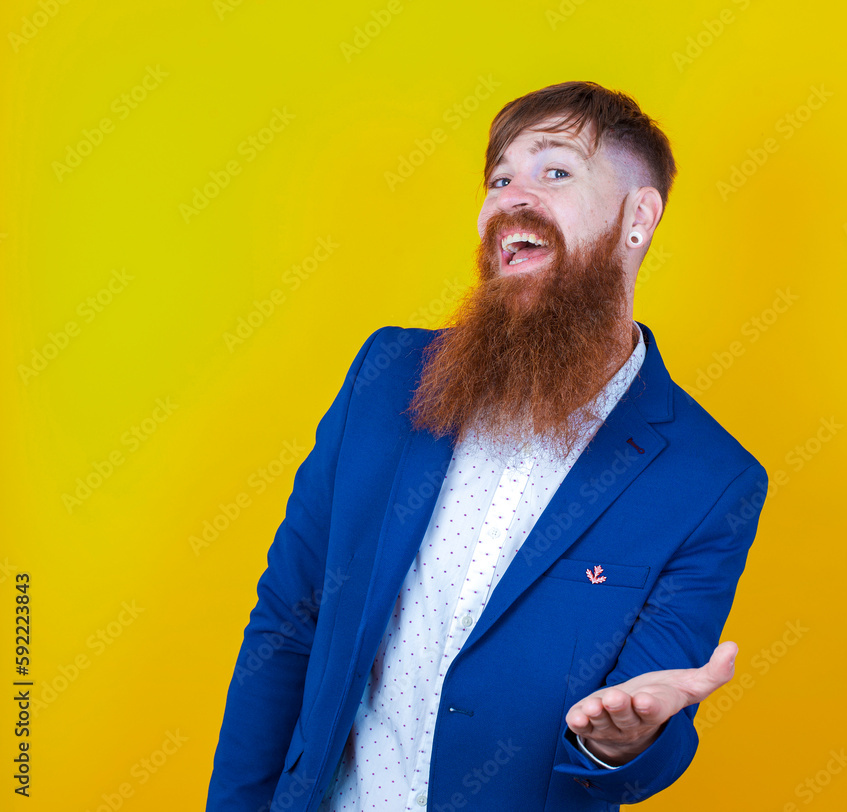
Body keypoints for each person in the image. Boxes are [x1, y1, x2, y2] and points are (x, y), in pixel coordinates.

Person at [206, 80, 768, 812]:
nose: (511, 197)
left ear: (639, 218)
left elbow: (646, 732)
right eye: (499, 178)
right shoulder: (385, 378)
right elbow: (288, 624)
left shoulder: (710, 479)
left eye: (554, 172)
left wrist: (619, 743)